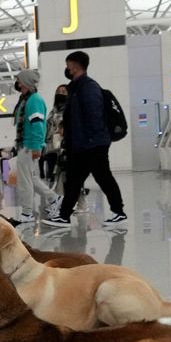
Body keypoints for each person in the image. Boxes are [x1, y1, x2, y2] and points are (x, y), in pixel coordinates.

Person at [42, 51, 126, 228]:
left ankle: (118, 212)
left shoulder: (88, 87)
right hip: (82, 144)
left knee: (102, 178)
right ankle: (64, 216)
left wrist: (87, 142)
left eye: (68, 65)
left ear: (73, 66)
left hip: (92, 144)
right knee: (74, 180)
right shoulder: (76, 87)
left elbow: (94, 116)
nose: (67, 69)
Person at [8, 69, 61, 221]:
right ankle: (54, 198)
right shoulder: (27, 99)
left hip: (29, 146)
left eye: (19, 80)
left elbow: (37, 125)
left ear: (25, 82)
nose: (17, 83)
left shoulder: (34, 100)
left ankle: (27, 213)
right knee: (31, 178)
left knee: (25, 180)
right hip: (26, 145)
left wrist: (36, 146)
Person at [39, 84, 67, 182]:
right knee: (51, 176)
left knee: (66, 177)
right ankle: (55, 196)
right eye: (58, 92)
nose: (60, 93)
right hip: (51, 149)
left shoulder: (71, 110)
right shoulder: (52, 112)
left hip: (65, 148)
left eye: (63, 92)